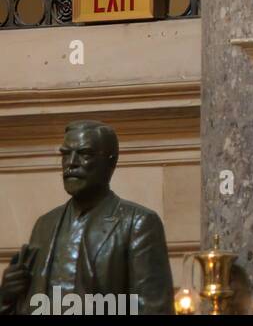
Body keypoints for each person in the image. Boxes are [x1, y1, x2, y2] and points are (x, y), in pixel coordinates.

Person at [0, 119, 174, 315]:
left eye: (84, 154)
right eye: (65, 154)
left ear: (111, 162)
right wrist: (7, 298)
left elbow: (154, 309)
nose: (71, 163)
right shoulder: (44, 226)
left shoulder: (138, 223)